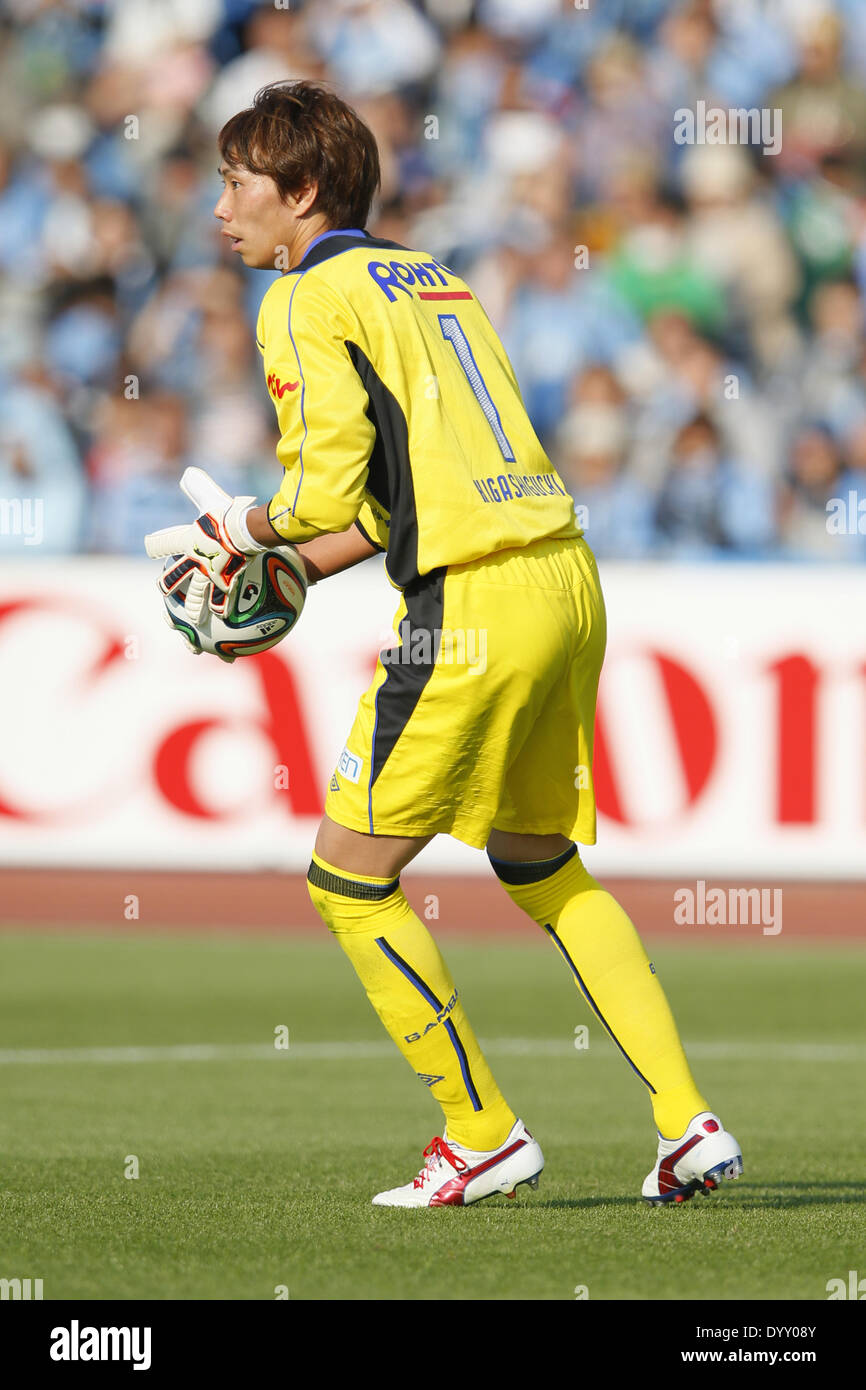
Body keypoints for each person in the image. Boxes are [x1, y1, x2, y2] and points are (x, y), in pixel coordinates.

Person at [144, 80, 742, 1208]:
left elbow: (320, 484)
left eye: (237, 183)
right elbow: (390, 499)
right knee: (537, 861)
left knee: (347, 878)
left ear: (302, 191)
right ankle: (684, 1121)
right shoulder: (433, 276)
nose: (220, 208)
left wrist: (243, 528)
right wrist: (288, 573)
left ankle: (479, 1132)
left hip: (471, 605)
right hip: (561, 577)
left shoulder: (298, 299)